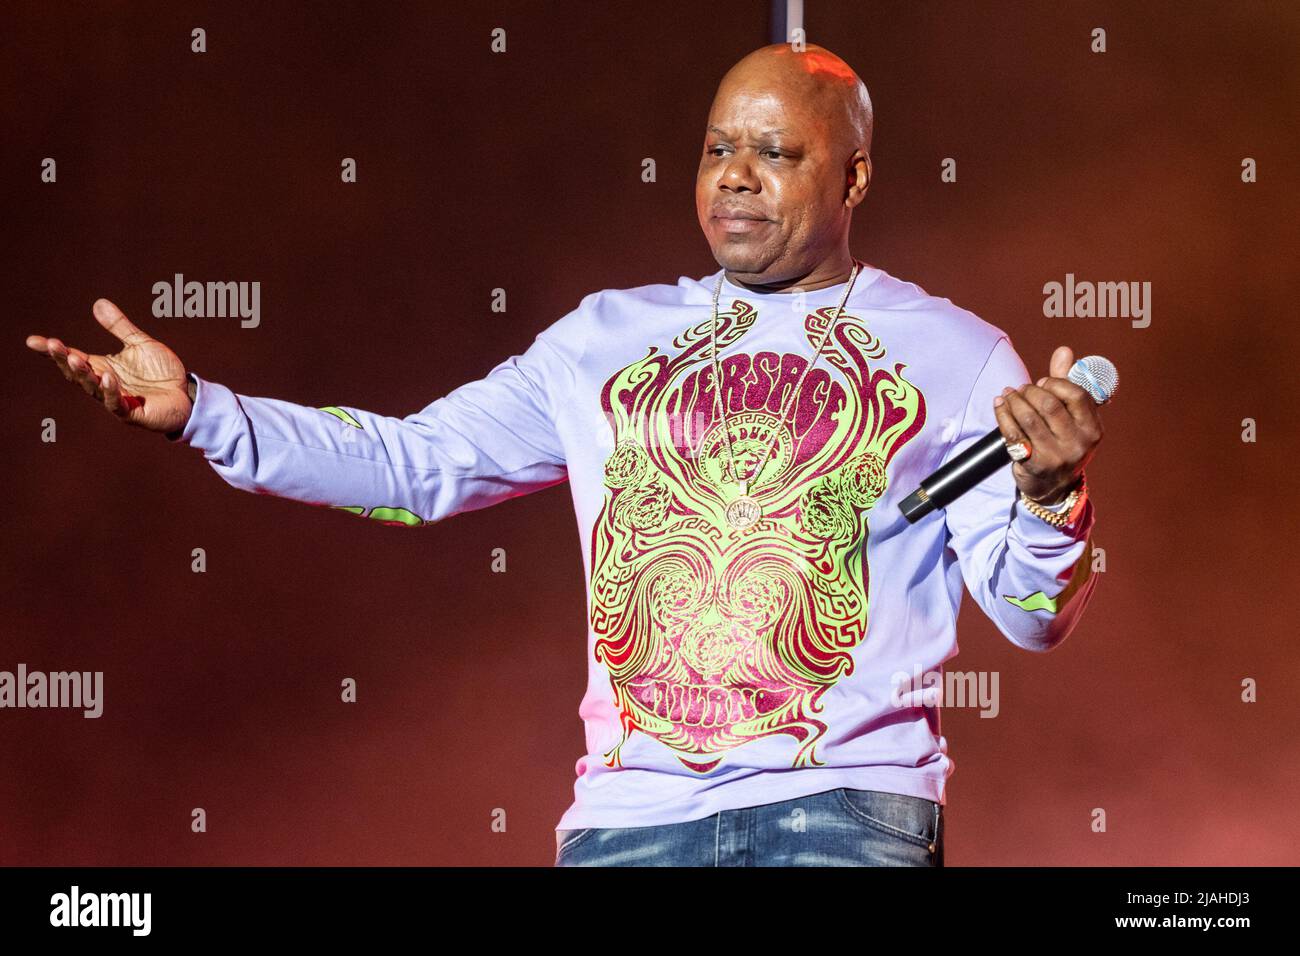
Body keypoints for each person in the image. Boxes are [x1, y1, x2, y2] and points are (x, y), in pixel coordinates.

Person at [24, 43, 1104, 867]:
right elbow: (418, 466)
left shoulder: (957, 355)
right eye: (717, 147)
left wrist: (1051, 497)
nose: (733, 176)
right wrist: (206, 411)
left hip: (843, 814)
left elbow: (1031, 617)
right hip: (624, 824)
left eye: (773, 152)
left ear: (853, 179)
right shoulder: (604, 337)